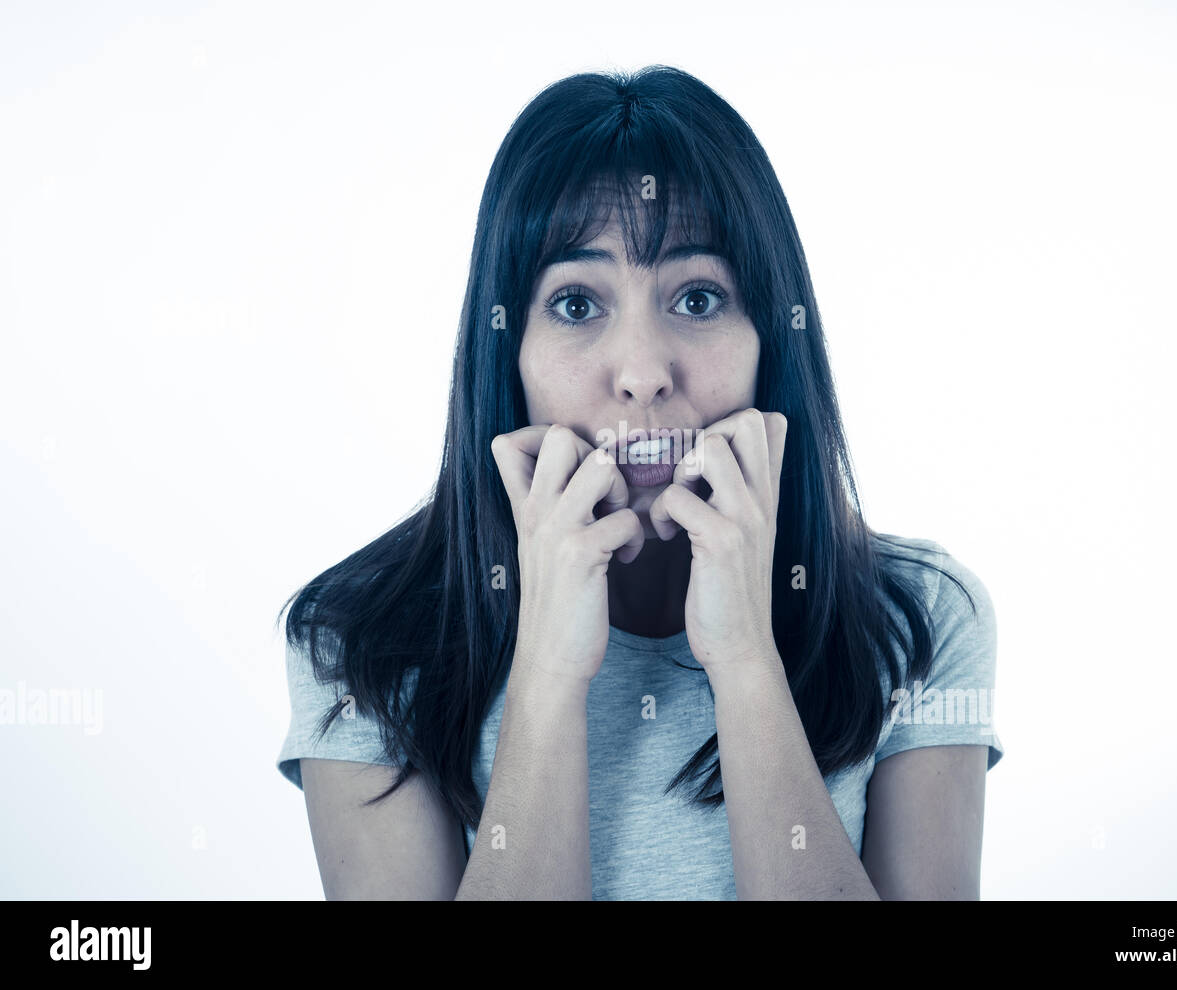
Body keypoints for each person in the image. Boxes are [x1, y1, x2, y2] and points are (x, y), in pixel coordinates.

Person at [275, 65, 1004, 900]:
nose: (643, 373)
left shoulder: (920, 619)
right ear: (504, 354)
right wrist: (548, 671)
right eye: (578, 305)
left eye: (697, 297)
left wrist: (743, 660)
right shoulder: (359, 644)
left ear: (772, 339)